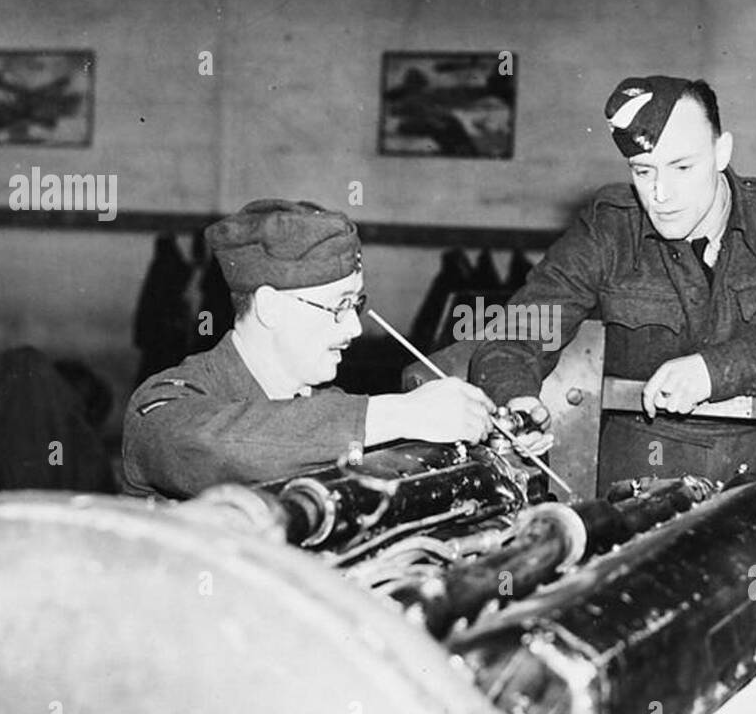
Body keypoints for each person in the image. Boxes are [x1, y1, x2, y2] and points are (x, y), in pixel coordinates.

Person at [468, 75, 756, 488]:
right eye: (644, 171)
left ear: (721, 152)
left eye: (682, 167)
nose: (661, 194)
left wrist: (721, 369)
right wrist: (514, 401)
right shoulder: (610, 229)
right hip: (637, 485)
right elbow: (515, 334)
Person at [123, 199, 495, 498]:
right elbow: (218, 447)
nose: (352, 327)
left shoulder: (327, 407)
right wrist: (400, 413)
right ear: (269, 307)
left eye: (356, 305)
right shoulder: (162, 405)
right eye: (337, 306)